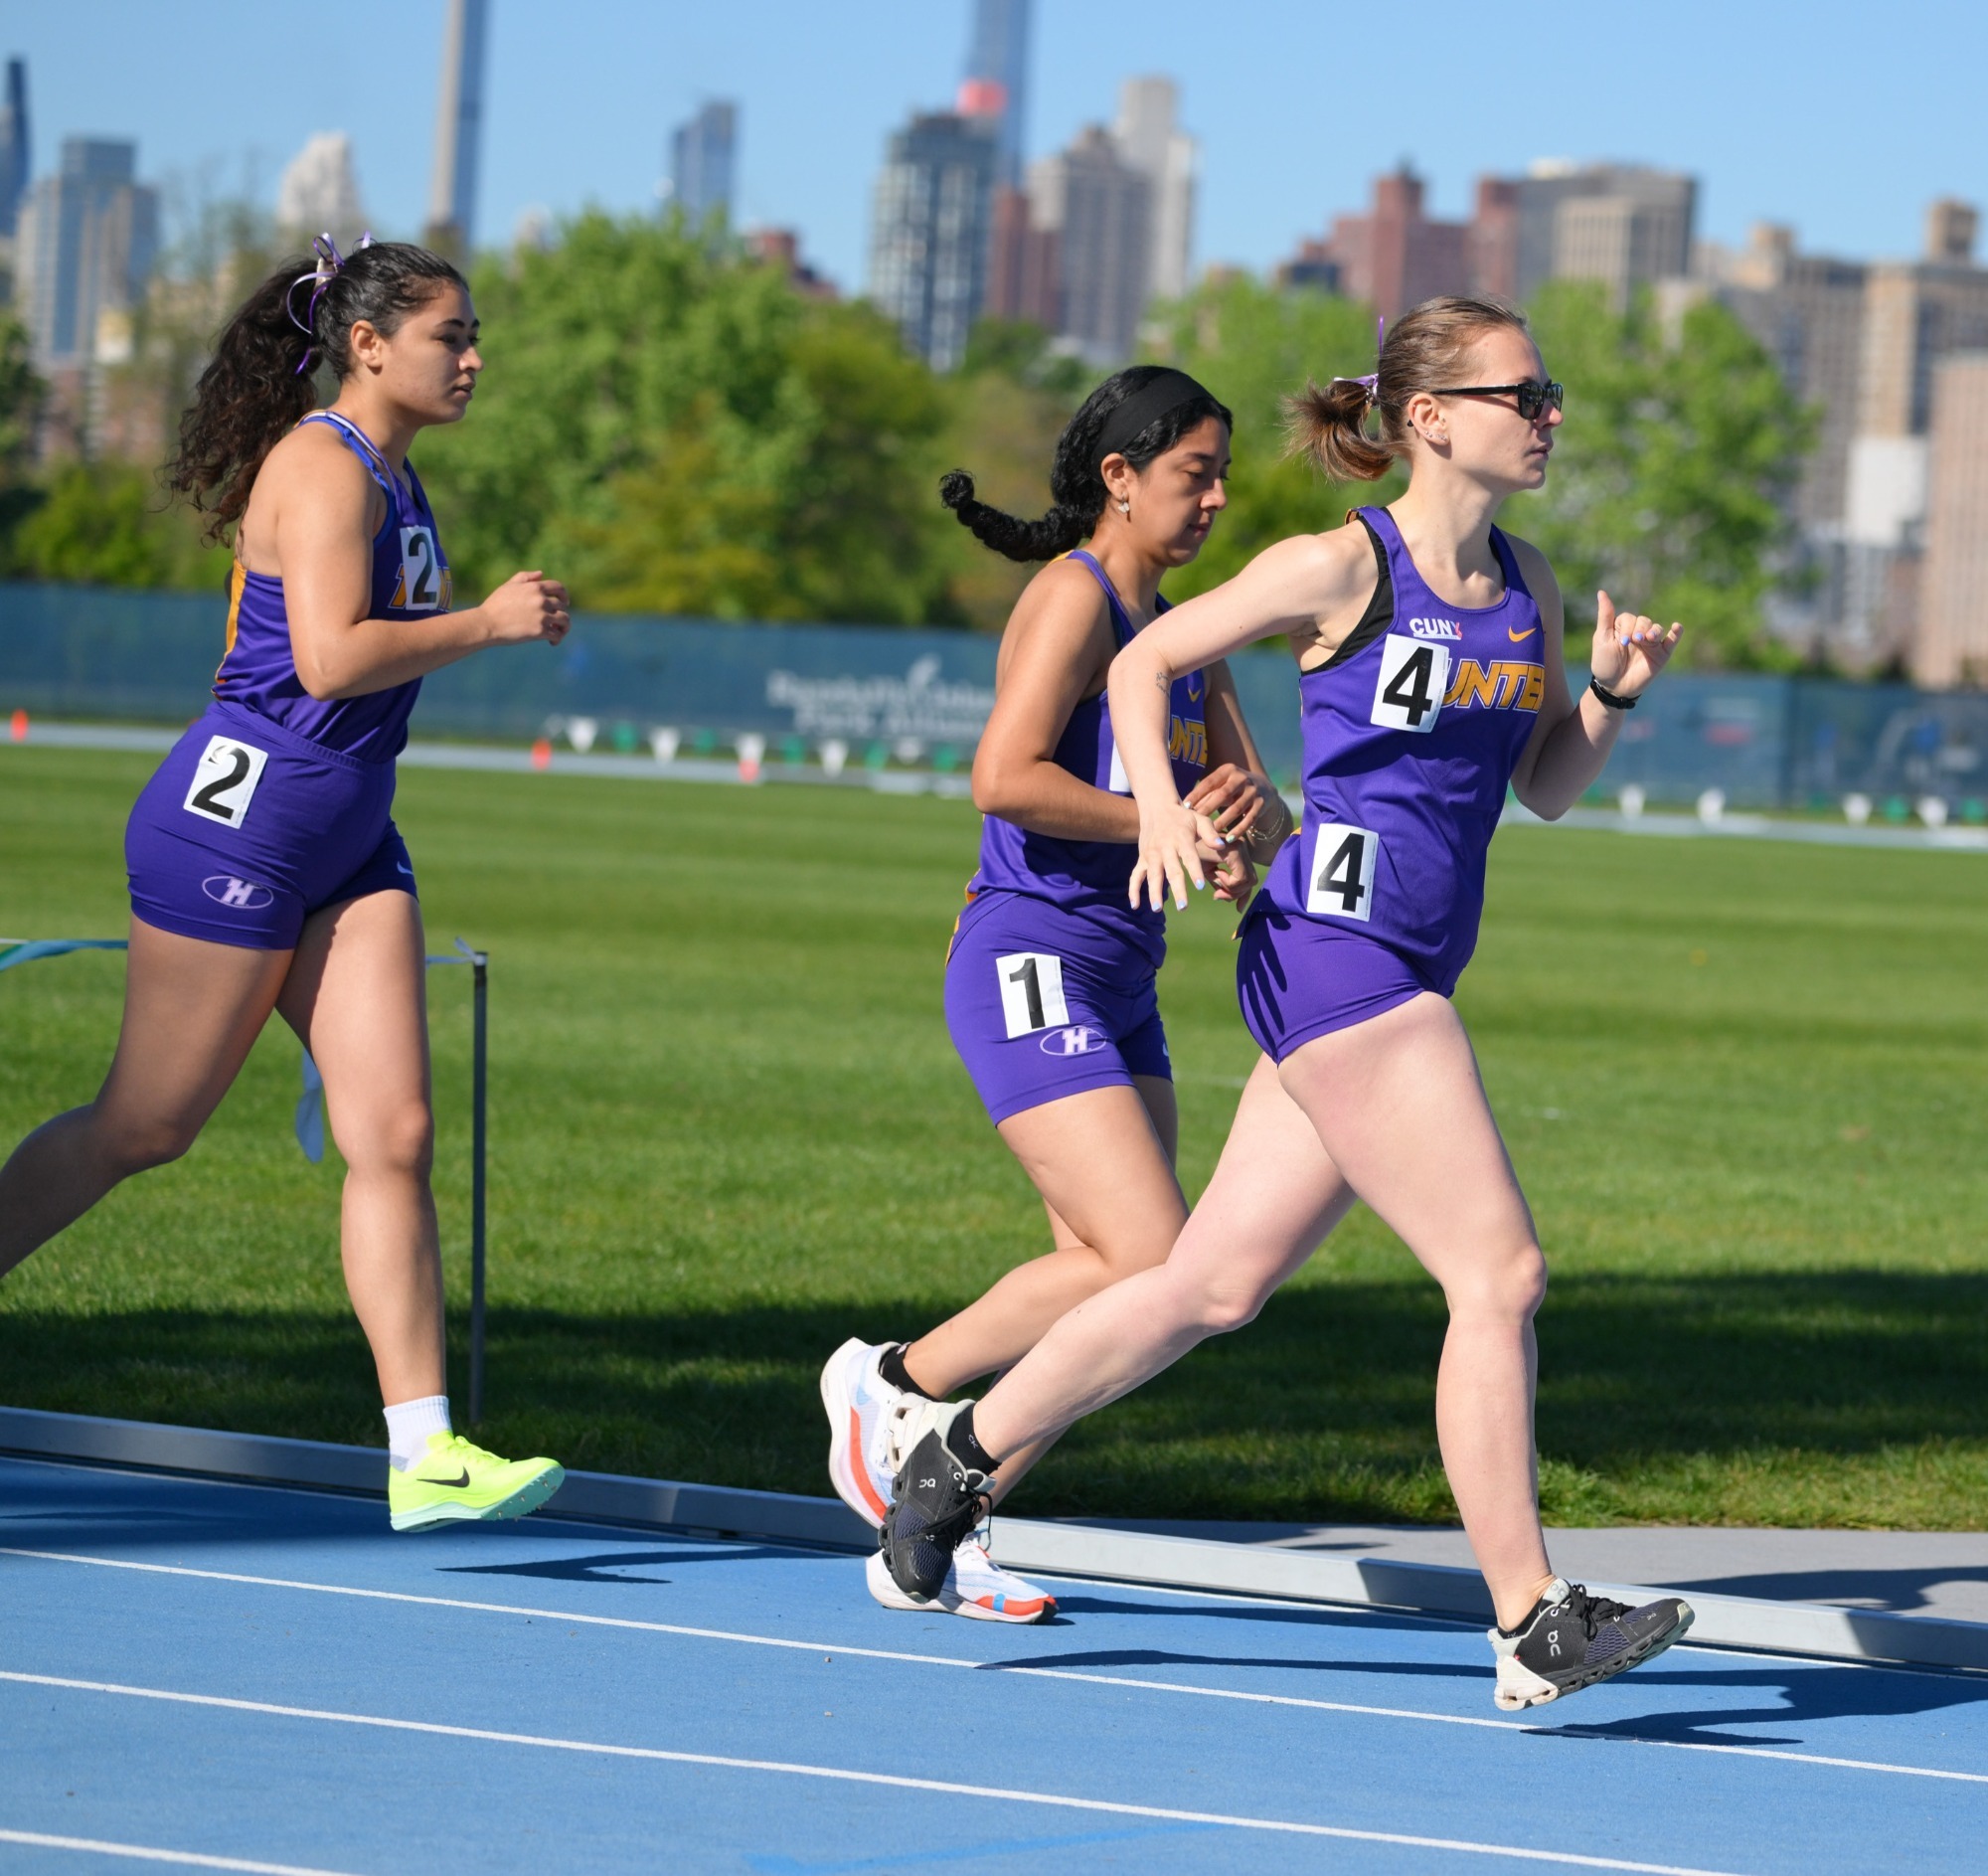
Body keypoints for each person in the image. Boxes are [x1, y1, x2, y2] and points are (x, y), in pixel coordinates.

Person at [880, 297, 1695, 1710]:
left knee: (1208, 1283)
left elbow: (1543, 784)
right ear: (1429, 416)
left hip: (1406, 964)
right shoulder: (1337, 564)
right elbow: (1145, 660)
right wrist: (1152, 813)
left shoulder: (1530, 583)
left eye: (1551, 393)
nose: (1550, 414)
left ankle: (953, 1460)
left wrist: (1613, 694)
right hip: (1339, 951)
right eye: (1527, 392)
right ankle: (1529, 1617)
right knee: (1498, 1273)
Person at [0, 237, 568, 1534]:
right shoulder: (320, 464)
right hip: (241, 835)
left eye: (475, 335)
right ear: (368, 343)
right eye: (450, 336)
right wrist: (486, 620)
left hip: (348, 840)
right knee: (145, 1125)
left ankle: (423, 1448)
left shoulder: (390, 473)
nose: (473, 357)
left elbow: (248, 643)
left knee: (398, 1133)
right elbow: (320, 660)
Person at [821, 367, 1289, 1622]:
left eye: (1221, 473)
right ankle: (892, 1381)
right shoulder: (1071, 601)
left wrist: (1245, 835)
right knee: (1152, 1262)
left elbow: (1246, 815)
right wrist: (1163, 819)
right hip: (1030, 953)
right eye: (1194, 473)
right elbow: (1001, 776)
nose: (1215, 497)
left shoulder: (1186, 635)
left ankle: (942, 1519)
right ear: (1119, 478)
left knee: (1120, 1276)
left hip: (1124, 969)